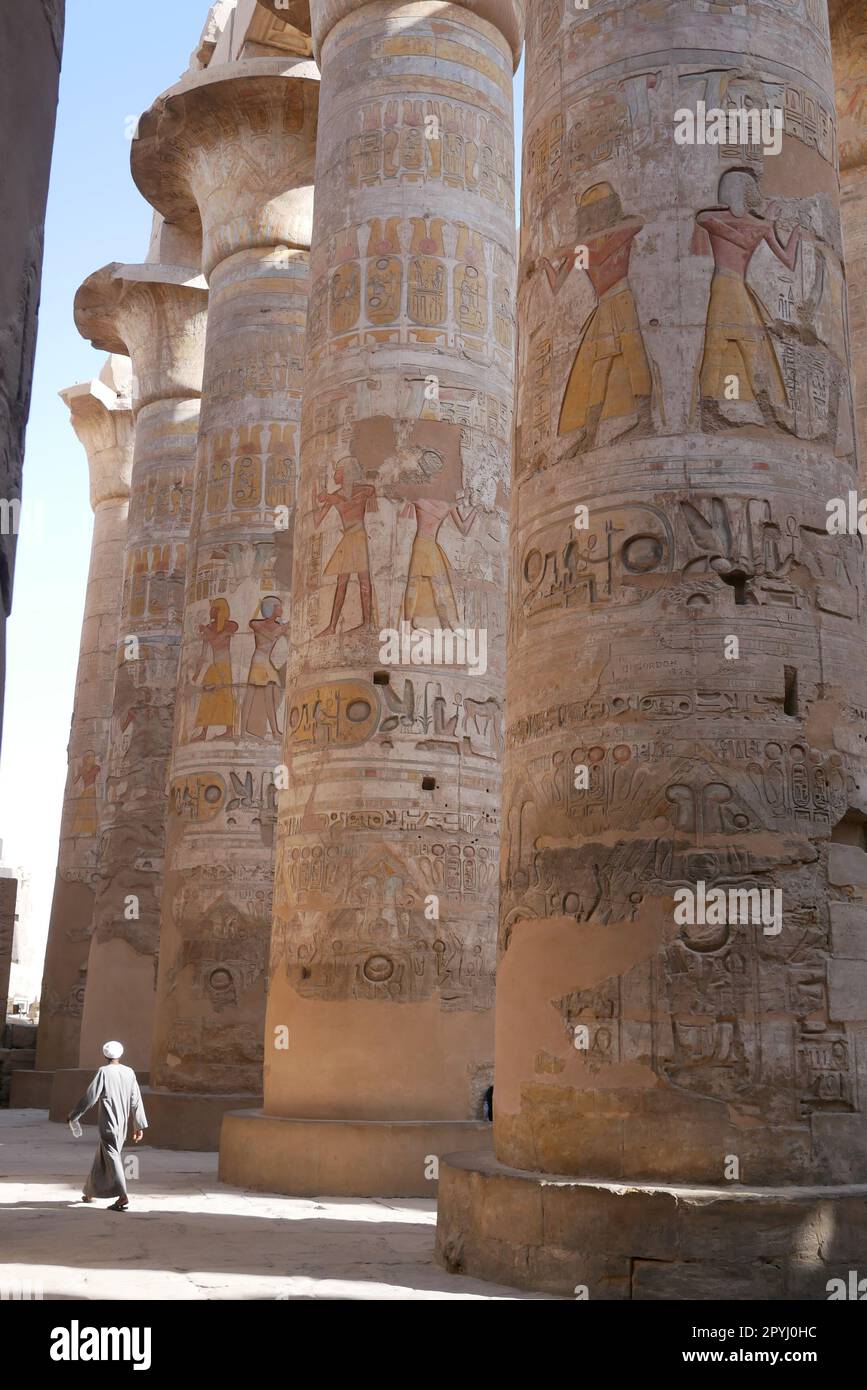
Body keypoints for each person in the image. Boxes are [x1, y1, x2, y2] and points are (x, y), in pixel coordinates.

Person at [68, 1041, 147, 1211]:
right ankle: (89, 1192)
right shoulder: (129, 1072)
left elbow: (90, 1097)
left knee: (112, 1156)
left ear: (105, 1055)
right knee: (101, 1157)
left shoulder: (103, 1072)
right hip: (122, 1124)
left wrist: (74, 1115)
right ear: (120, 1054)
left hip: (109, 1123)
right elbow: (136, 1099)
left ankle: (122, 1196)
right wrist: (138, 1125)